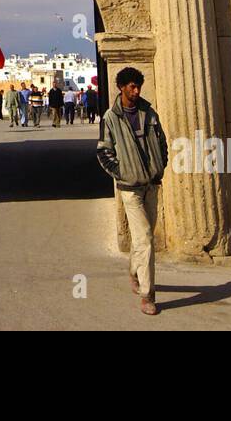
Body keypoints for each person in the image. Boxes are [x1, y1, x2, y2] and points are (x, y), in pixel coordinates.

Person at [95, 67, 168, 316]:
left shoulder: (149, 112)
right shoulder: (111, 118)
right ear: (121, 88)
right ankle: (148, 295)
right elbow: (103, 151)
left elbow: (161, 142)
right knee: (146, 238)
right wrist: (122, 172)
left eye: (138, 86)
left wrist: (160, 166)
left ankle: (135, 271)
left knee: (143, 238)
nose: (136, 91)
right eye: (131, 87)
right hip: (130, 189)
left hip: (151, 184)